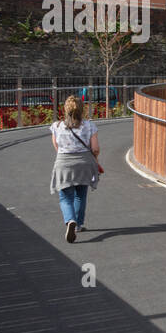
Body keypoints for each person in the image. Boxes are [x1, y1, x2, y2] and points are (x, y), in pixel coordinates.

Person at [49, 95, 102, 242]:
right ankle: (78, 224)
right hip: (84, 163)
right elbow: (95, 148)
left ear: (65, 109)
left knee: (66, 197)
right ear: (81, 109)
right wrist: (95, 159)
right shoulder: (89, 125)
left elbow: (57, 147)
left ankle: (70, 220)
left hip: (64, 163)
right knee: (81, 194)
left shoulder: (56, 126)